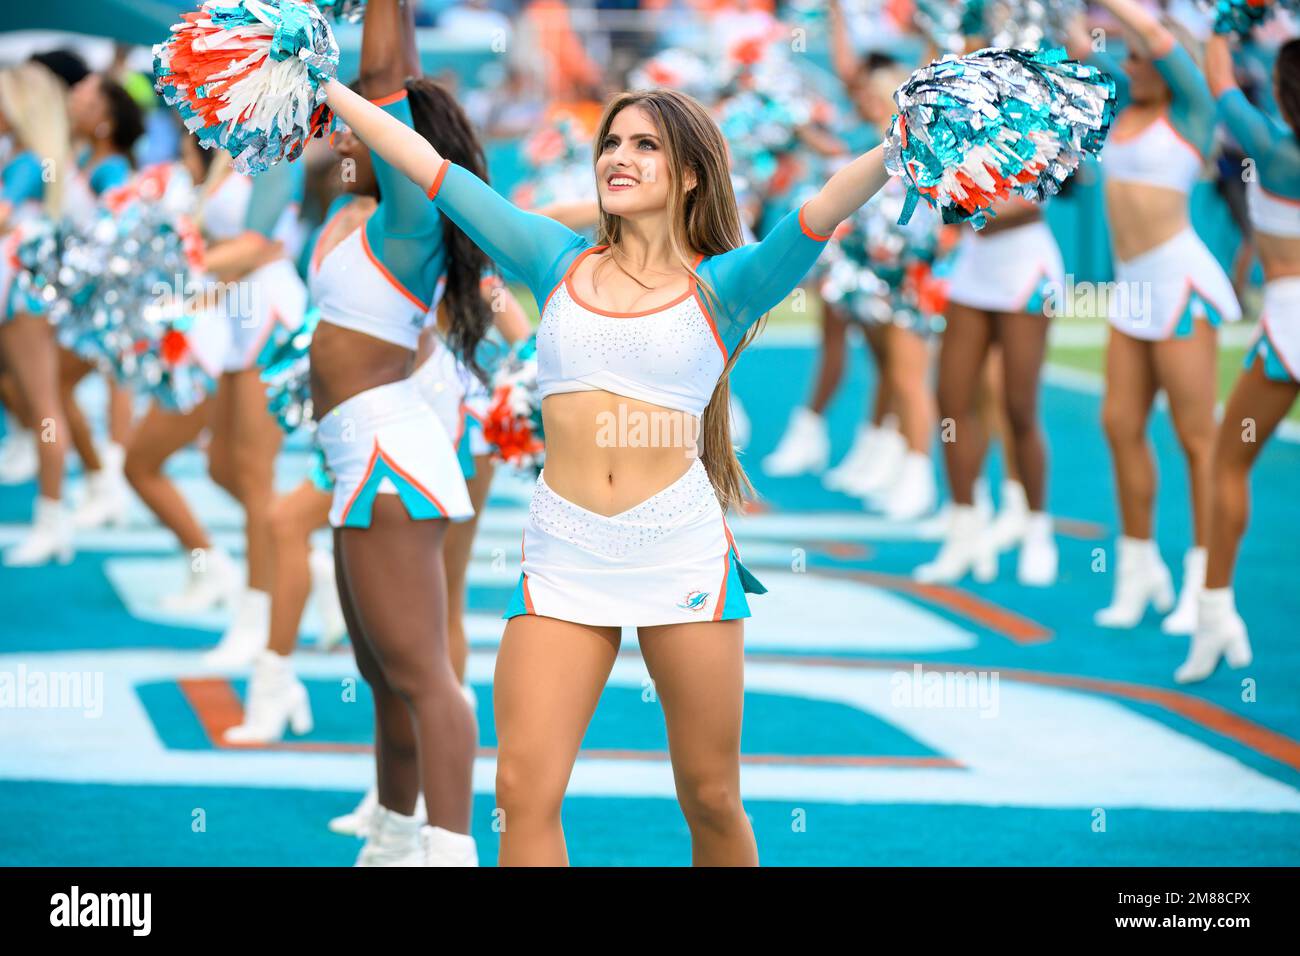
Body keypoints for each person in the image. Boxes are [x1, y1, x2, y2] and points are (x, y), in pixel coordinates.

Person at [324, 76, 891, 864]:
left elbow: (823, 209)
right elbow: (426, 165)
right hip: (565, 551)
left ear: (691, 173)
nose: (618, 157)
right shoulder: (551, 259)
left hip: (679, 551)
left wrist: (900, 145)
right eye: (612, 143)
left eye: (645, 145)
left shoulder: (725, 286)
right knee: (522, 791)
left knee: (711, 797)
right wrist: (325, 86)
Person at [309, 0, 492, 866]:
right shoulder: (357, 213)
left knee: (423, 676)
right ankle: (389, 838)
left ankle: (450, 850)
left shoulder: (408, 223)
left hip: (388, 461)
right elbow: (398, 84)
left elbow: (386, 89)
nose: (348, 136)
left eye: (376, 129)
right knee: (382, 678)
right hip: (358, 459)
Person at [1080, 1, 1242, 631]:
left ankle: (1206, 579)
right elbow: (1078, 42)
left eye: (1141, 57)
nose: (1130, 63)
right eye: (1128, 57)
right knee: (1119, 424)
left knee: (1196, 436)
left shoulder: (1192, 111)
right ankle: (1139, 568)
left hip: (1179, 284)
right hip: (1131, 289)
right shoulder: (1121, 104)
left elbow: (1149, 30)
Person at [1176, 35, 1300, 681]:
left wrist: (1224, 21)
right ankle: (1215, 614)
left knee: (1230, 461)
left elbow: (1217, 75)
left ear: (1282, 91)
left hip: (1288, 322)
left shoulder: (1272, 146)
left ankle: (1217, 608)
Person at [59, 72, 145, 532]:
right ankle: (104, 481)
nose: (74, 102)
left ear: (104, 119)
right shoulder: (89, 159)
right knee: (85, 384)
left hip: (108, 297)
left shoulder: (111, 170)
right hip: (89, 297)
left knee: (103, 383)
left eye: (84, 98)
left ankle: (107, 479)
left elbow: (124, 226)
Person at [0, 63, 75, 567]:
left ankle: (53, 518)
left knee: (45, 403)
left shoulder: (29, 161)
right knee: (37, 399)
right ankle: (52, 516)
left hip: (24, 294)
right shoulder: (29, 158)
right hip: (22, 291)